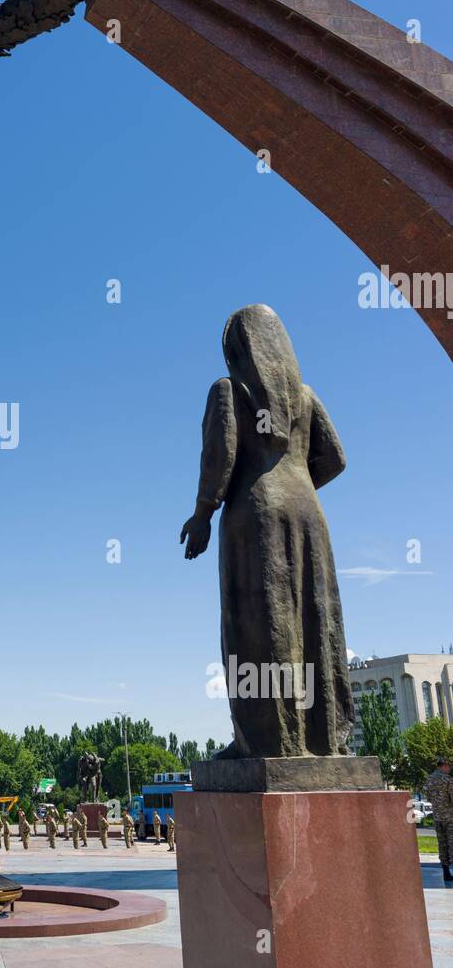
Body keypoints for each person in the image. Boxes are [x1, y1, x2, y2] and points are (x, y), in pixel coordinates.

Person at [181, 305, 353, 759]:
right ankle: (324, 740)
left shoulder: (230, 391)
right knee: (315, 623)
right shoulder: (305, 397)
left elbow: (220, 456)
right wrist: (295, 485)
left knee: (257, 628)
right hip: (309, 514)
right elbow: (335, 460)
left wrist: (203, 512)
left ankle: (262, 743)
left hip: (255, 517)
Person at [425, 758, 453, 884]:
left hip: (437, 817)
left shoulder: (429, 780)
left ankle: (446, 873)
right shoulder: (448, 780)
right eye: (449, 766)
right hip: (450, 818)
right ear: (445, 766)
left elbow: (429, 798)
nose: (450, 769)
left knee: (442, 844)